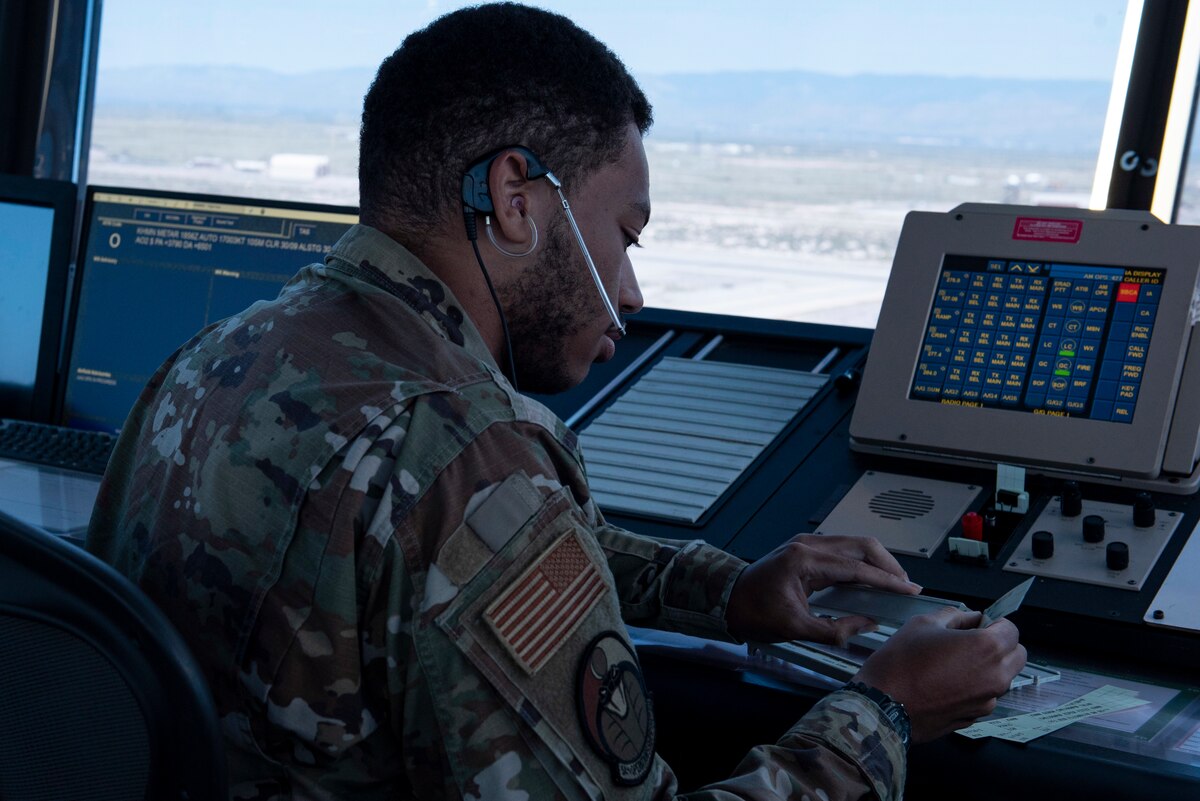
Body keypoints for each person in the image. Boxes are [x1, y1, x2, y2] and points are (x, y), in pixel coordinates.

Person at [87, 4, 1026, 799]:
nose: (632, 293)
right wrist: (884, 712)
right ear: (517, 200)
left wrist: (725, 590)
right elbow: (461, 529)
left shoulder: (213, 359)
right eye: (627, 234)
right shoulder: (458, 450)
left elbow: (427, 561)